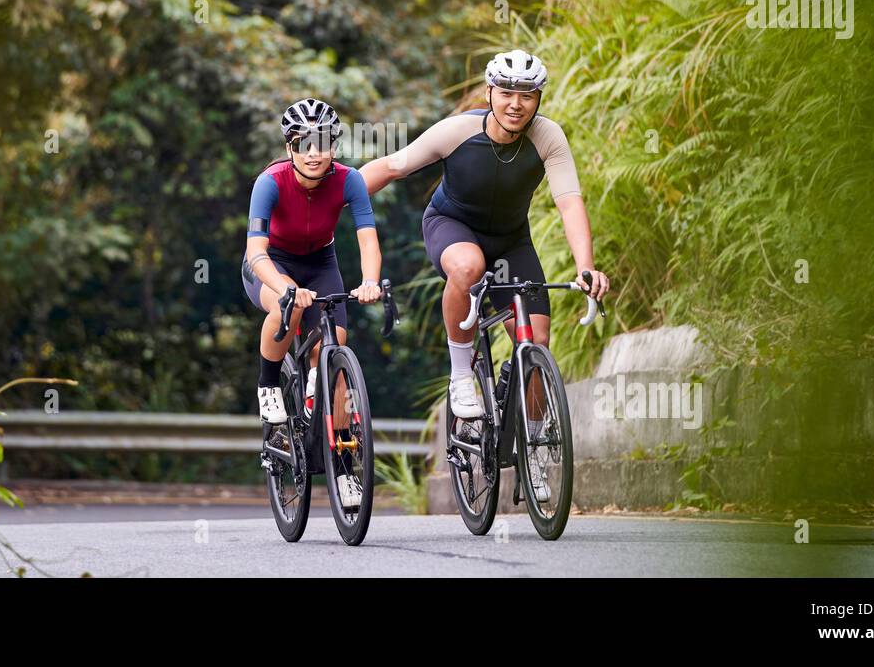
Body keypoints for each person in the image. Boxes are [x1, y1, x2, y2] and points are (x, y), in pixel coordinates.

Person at [359, 49, 610, 496]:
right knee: (469, 267)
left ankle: (533, 447)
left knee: (536, 343)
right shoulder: (459, 131)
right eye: (508, 93)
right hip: (451, 226)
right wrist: (335, 198)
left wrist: (585, 267)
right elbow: (393, 166)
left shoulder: (548, 136)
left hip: (511, 242)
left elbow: (569, 200)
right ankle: (461, 375)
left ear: (538, 100)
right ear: (490, 92)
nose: (517, 104)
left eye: (528, 95)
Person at [241, 99, 383, 460]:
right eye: (303, 144)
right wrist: (286, 287)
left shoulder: (350, 180)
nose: (314, 153)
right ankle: (269, 386)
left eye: (322, 143)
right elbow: (256, 252)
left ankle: (343, 458)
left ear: (334, 146)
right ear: (290, 147)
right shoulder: (269, 182)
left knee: (334, 346)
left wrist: (370, 281)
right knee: (285, 309)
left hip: (321, 262)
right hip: (271, 263)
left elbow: (367, 238)